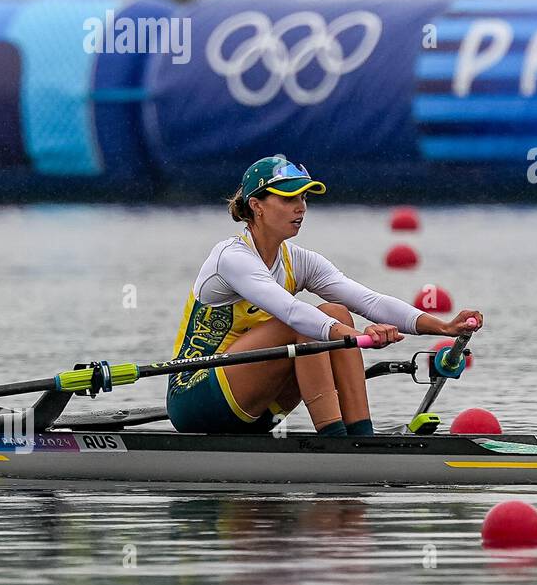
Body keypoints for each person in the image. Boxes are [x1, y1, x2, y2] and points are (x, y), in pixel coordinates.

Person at [166, 155, 482, 436]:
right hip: (196, 398)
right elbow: (291, 312)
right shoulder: (231, 257)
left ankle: (360, 436)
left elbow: (369, 301)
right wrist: (359, 338)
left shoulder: (299, 260)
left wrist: (443, 327)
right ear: (256, 205)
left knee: (337, 312)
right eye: (288, 198)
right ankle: (334, 441)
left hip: (258, 408)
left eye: (303, 198)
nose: (300, 207)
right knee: (307, 324)